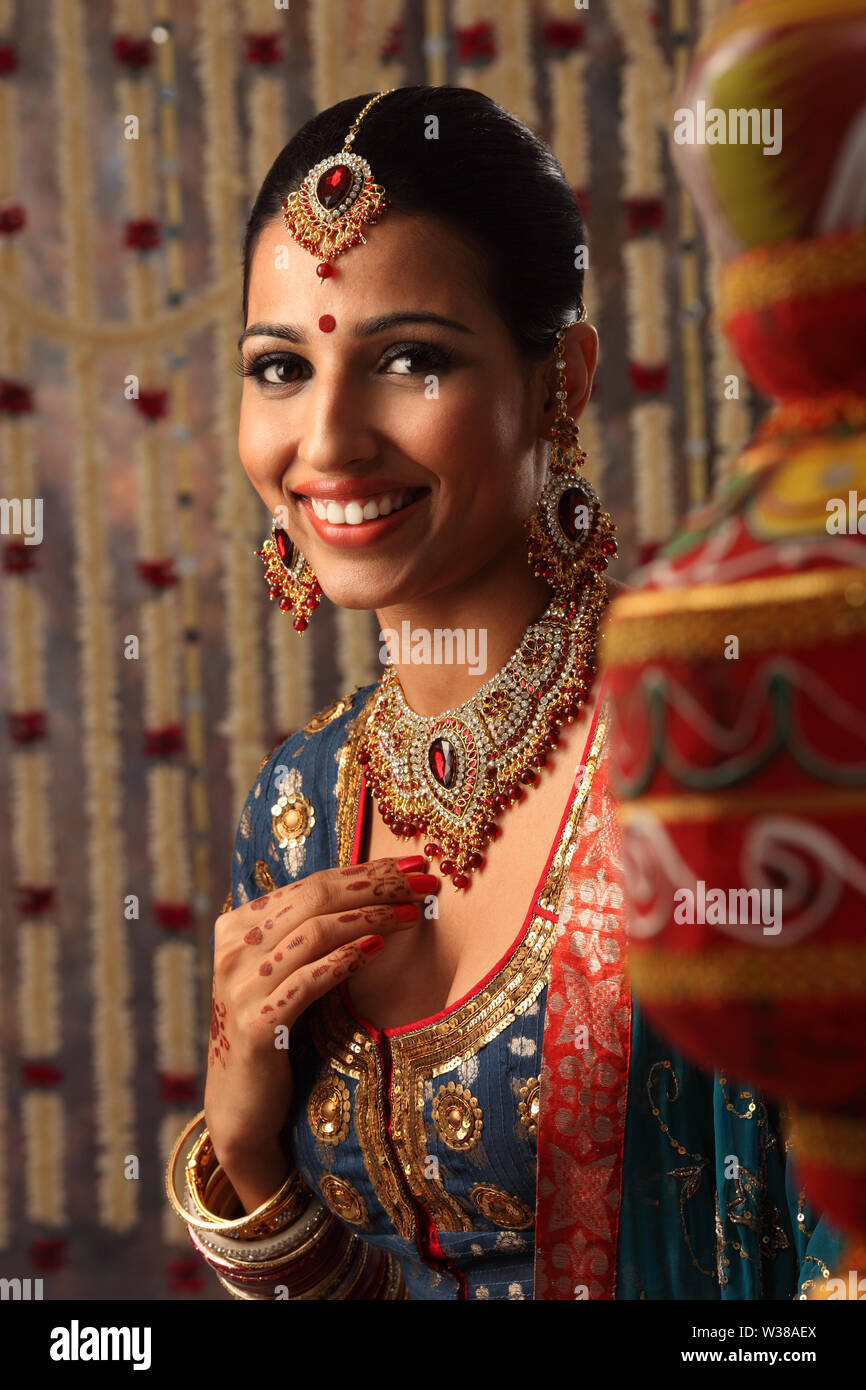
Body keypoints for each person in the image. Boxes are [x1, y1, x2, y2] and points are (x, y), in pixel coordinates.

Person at [165, 85, 845, 1301]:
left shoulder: (724, 749)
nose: (324, 440)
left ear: (560, 381)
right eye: (279, 367)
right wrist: (244, 1151)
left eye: (408, 359)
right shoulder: (299, 804)